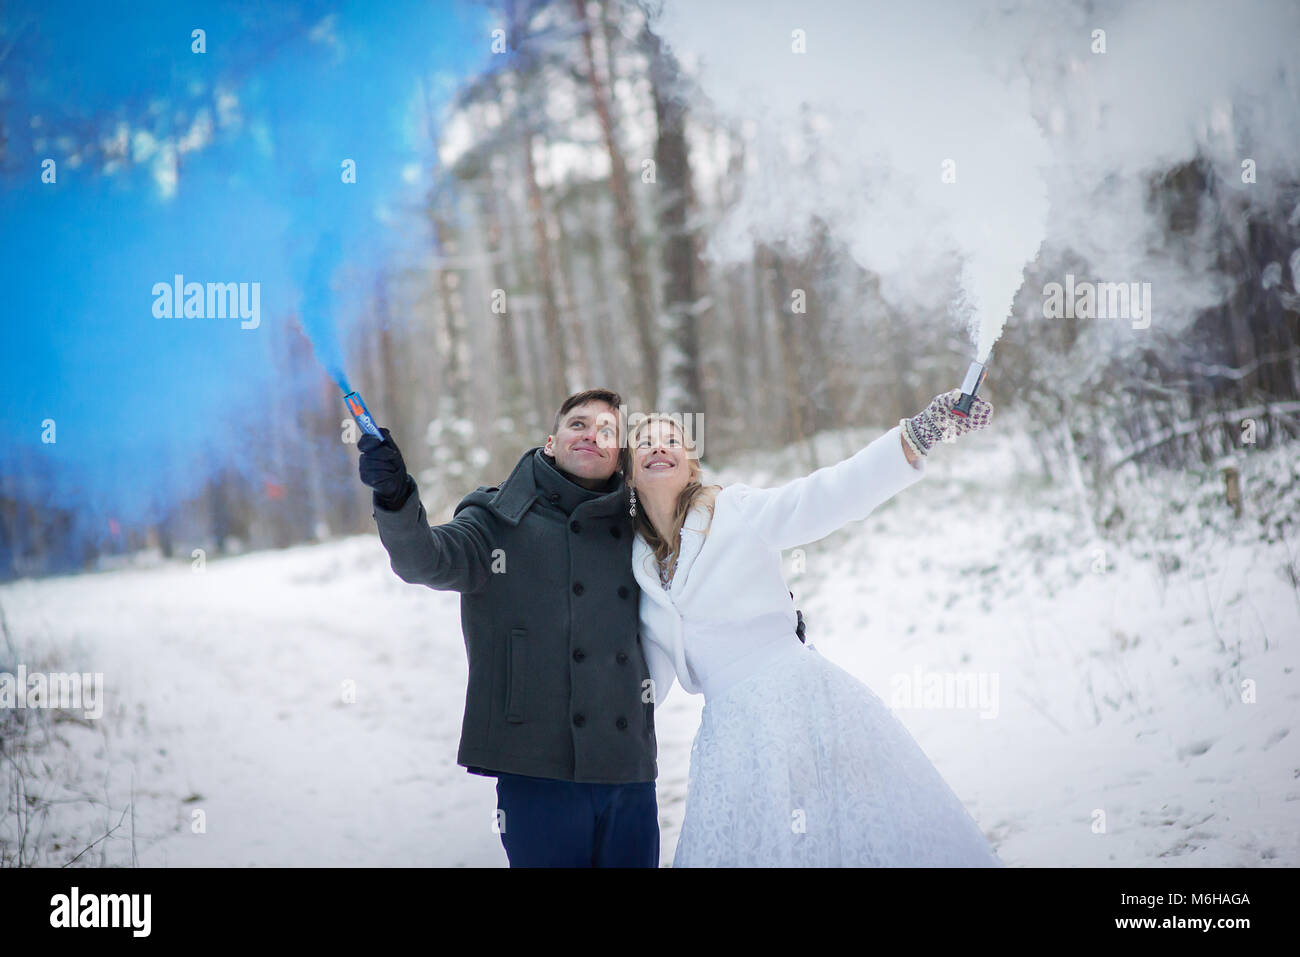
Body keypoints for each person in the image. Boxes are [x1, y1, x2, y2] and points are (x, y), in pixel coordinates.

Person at [626, 390, 1004, 866]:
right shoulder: (641, 571)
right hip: (732, 739)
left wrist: (917, 435)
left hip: (801, 704)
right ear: (629, 471)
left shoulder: (736, 511)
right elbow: (644, 683)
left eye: (672, 439)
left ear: (692, 464)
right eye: (644, 443)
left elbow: (827, 496)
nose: (659, 447)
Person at [357, 388, 659, 867]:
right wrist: (394, 497)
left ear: (620, 455)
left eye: (608, 431)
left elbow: (699, 583)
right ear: (551, 442)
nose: (592, 436)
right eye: (578, 424)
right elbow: (423, 560)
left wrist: (771, 617)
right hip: (537, 768)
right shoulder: (498, 519)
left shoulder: (643, 525)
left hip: (629, 768)